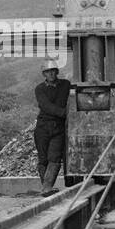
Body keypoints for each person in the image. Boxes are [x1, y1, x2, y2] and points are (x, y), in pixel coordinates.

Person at [33, 59, 72, 194]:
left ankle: (47, 187)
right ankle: (46, 187)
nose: (51, 74)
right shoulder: (40, 89)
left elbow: (73, 95)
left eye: (53, 71)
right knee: (43, 159)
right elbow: (45, 106)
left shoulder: (66, 85)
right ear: (44, 74)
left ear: (57, 72)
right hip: (43, 127)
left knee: (54, 157)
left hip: (58, 128)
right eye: (48, 72)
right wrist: (64, 113)